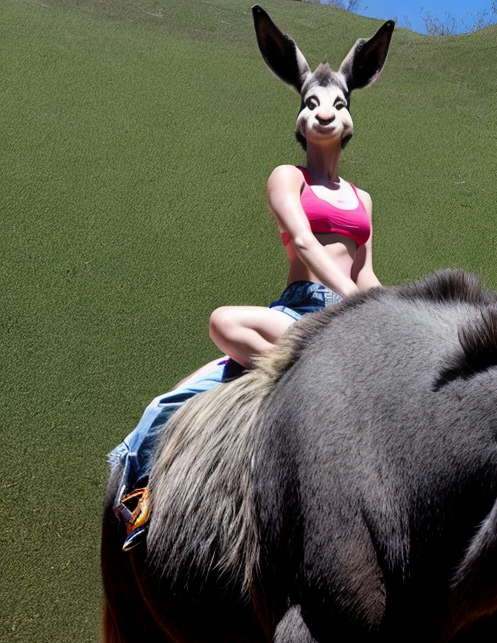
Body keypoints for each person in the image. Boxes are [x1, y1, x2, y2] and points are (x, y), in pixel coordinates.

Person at [111, 8, 394, 550]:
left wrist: (393, 311)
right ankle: (137, 494)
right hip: (296, 312)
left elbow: (368, 271)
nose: (325, 112)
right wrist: (360, 303)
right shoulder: (288, 178)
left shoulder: (363, 199)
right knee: (188, 373)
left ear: (351, 114)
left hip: (349, 313)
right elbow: (306, 245)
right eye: (313, 102)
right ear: (301, 116)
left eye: (337, 102)